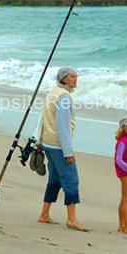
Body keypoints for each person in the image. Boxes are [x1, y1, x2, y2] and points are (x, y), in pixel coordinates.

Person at [36, 67, 88, 231]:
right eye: (72, 77)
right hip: (58, 145)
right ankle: (72, 219)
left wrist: (39, 141)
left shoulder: (53, 92)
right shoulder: (64, 97)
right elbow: (62, 127)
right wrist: (68, 152)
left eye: (76, 76)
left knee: (55, 179)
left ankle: (44, 214)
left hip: (47, 142)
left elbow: (43, 118)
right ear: (64, 78)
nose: (75, 79)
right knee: (71, 180)